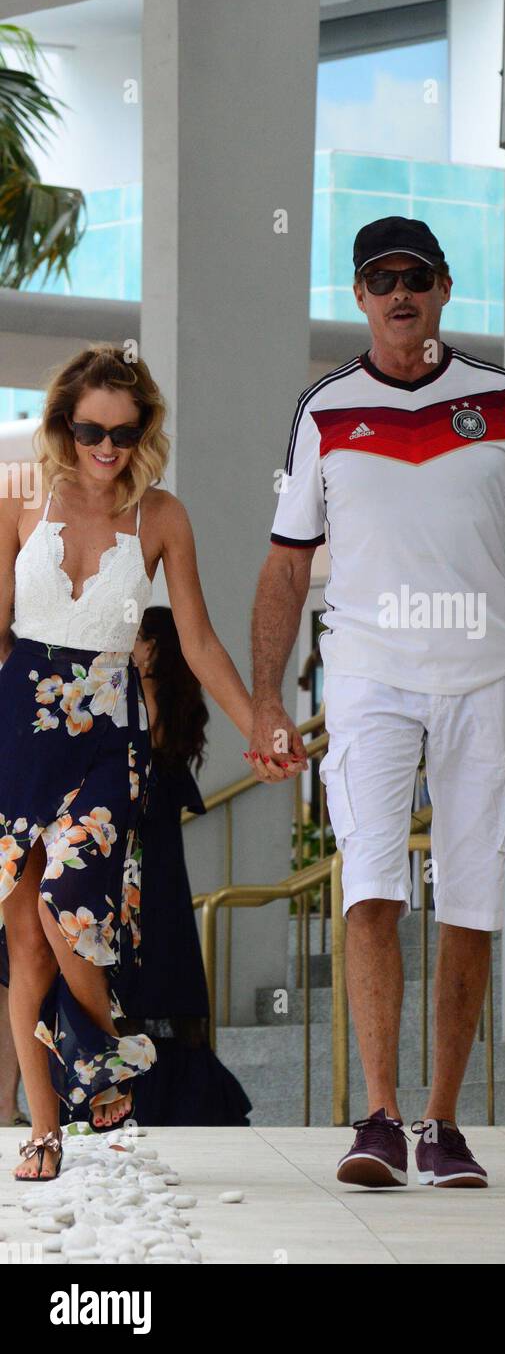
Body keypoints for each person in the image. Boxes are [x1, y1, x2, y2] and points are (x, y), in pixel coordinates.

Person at [248, 216, 505, 1189]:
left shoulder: (497, 398)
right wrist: (265, 699)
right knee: (371, 886)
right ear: (362, 296)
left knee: (467, 900)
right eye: (381, 279)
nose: (400, 292)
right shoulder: (325, 408)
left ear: (446, 288)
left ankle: (443, 1125)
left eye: (416, 276)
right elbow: (288, 567)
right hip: (368, 676)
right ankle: (377, 1117)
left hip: (483, 675)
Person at [0, 345, 253, 1179]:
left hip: (109, 731)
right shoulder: (17, 496)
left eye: (124, 431)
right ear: (61, 427)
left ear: (143, 431)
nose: (106, 447)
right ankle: (44, 1126)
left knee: (71, 901)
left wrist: (260, 722)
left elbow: (199, 639)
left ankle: (103, 1052)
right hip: (16, 726)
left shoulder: (162, 516)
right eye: (89, 431)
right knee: (25, 944)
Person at [115, 606, 251, 1126]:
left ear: (153, 647)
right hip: (145, 859)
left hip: (148, 861)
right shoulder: (152, 701)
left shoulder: (152, 702)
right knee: (150, 965)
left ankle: (144, 1097)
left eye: (138, 637)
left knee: (148, 968)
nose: (129, 643)